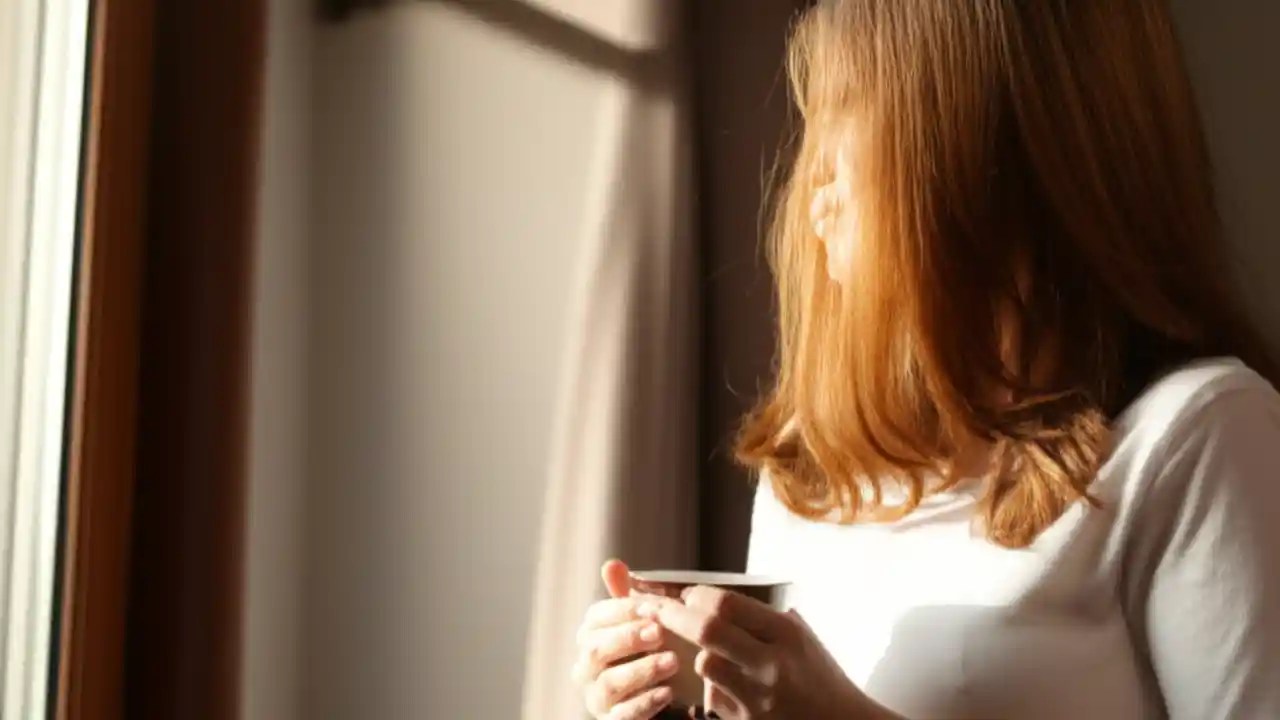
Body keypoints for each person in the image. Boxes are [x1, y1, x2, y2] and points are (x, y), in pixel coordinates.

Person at [571, 1, 1280, 718]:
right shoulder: (811, 480)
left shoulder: (1199, 436)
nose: (817, 200)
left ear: (980, 156)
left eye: (854, 126)